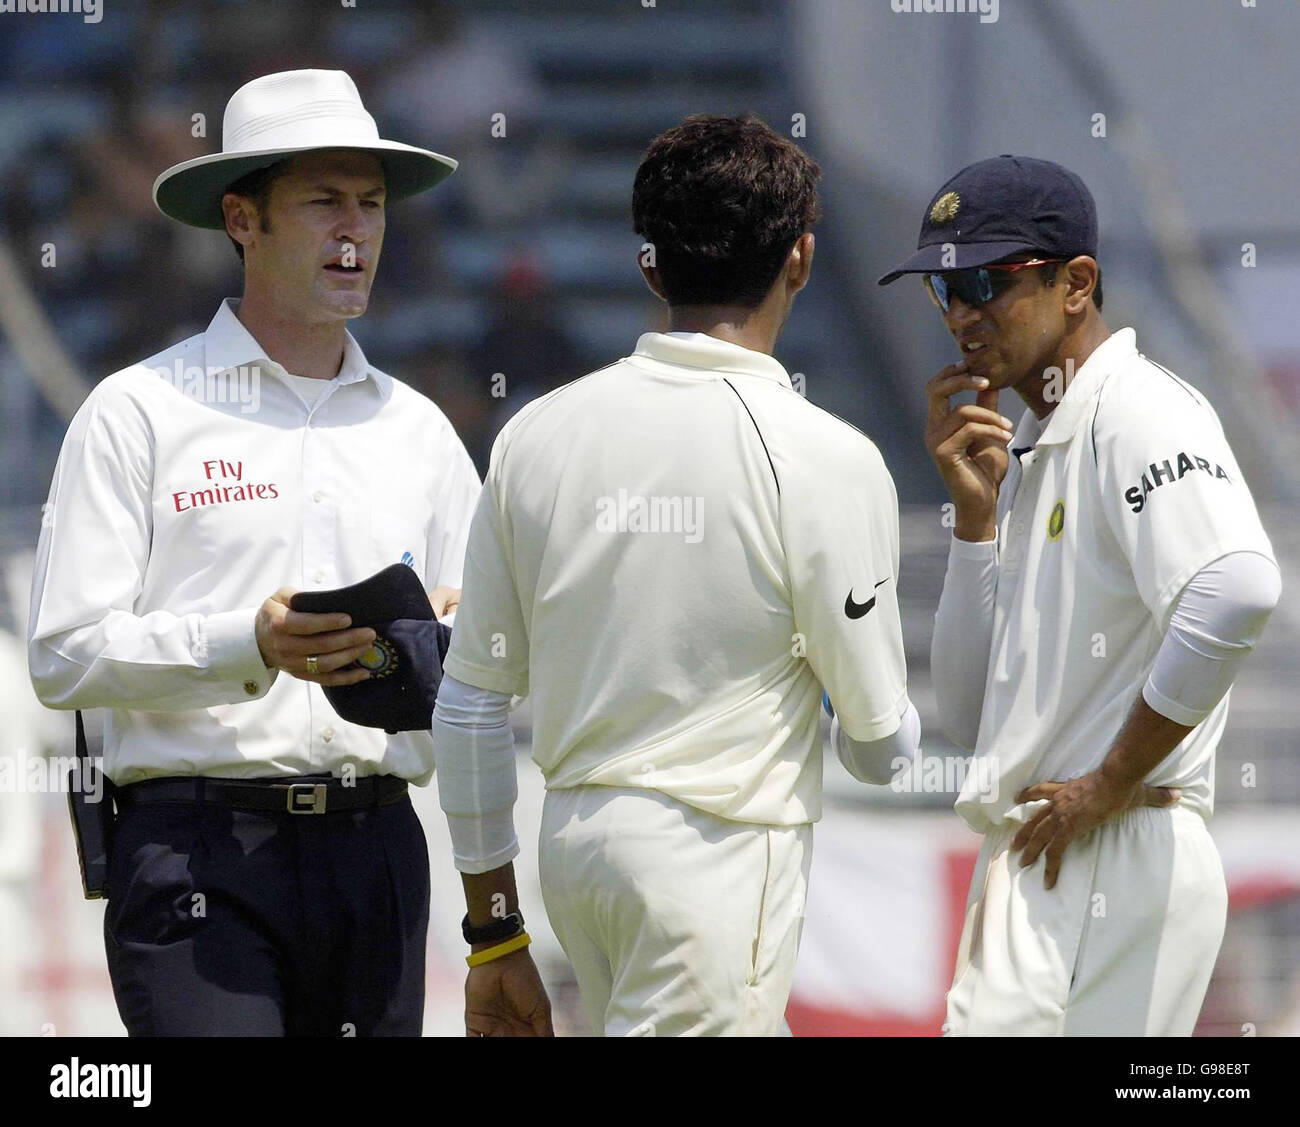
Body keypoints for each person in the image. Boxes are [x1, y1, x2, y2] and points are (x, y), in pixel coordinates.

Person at [431, 115, 920, 1037]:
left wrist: (495, 936)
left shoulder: (536, 434)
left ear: (649, 268)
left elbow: (468, 706)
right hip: (713, 862)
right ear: (803, 260)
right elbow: (883, 748)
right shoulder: (826, 456)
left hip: (573, 857)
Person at [27, 69, 482, 1036]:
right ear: (242, 218)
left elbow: (496, 662)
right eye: (323, 202)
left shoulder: (422, 432)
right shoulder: (138, 411)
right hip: (197, 854)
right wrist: (251, 642)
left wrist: (458, 636)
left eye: (370, 204)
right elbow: (61, 653)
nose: (354, 229)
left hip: (379, 846)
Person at [878, 155, 1282, 1036]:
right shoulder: (1036, 443)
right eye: (944, 289)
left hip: (1108, 843)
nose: (961, 313)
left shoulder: (1136, 408)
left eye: (988, 280)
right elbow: (971, 713)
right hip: (1058, 847)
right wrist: (975, 522)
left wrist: (1110, 779)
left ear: (1077, 283)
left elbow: (1239, 587)